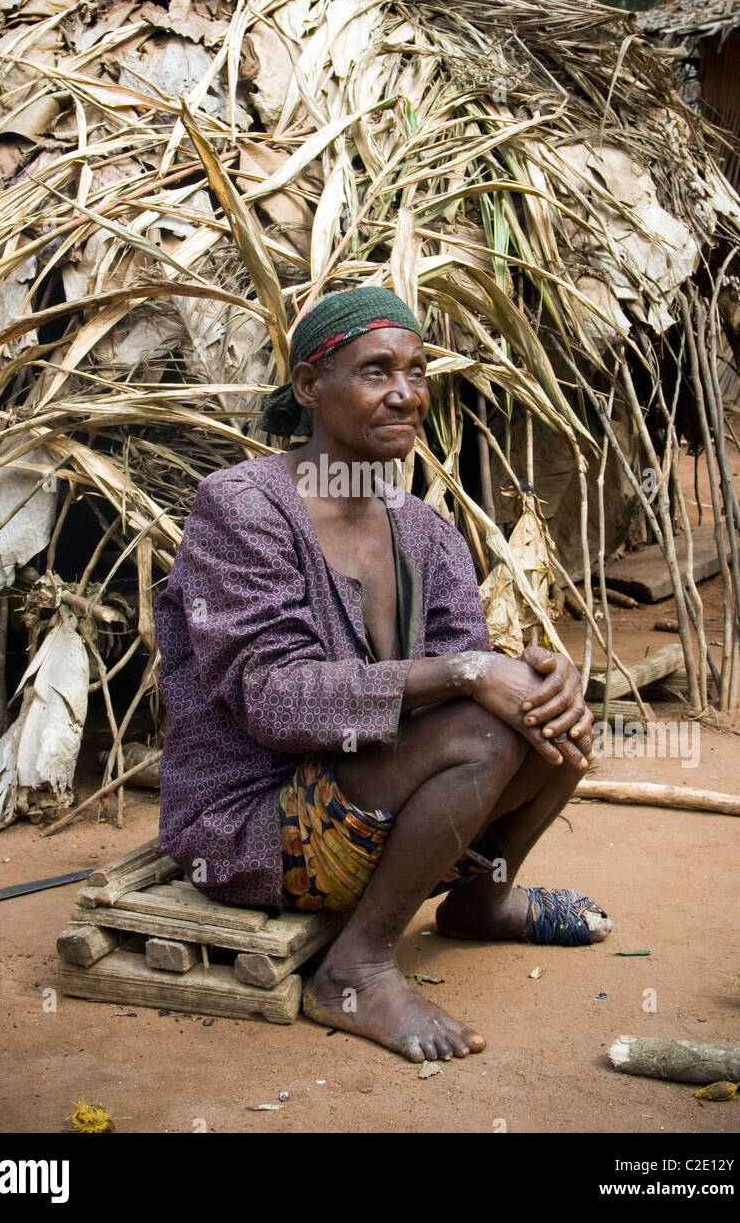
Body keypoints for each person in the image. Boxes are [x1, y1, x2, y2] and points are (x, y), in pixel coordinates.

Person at [155, 286, 610, 1064]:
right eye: (374, 373)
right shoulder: (244, 509)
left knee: (546, 715)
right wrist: (469, 672)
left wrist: (531, 672)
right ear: (308, 389)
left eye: (416, 370)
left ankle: (482, 898)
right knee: (481, 735)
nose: (405, 394)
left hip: (362, 784)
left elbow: (466, 661)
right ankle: (355, 969)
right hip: (251, 817)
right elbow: (271, 697)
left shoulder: (424, 530)